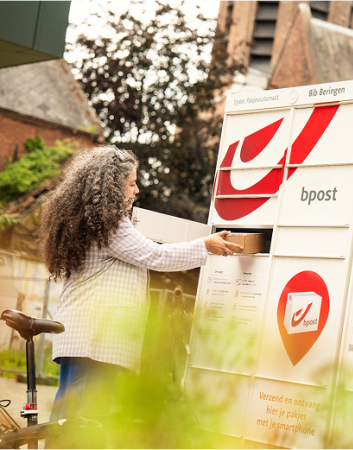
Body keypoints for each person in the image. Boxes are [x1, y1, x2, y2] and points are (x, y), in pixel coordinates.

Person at [39, 146, 241, 425]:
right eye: (131, 184)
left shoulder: (96, 224)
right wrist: (205, 246)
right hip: (93, 337)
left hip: (86, 335)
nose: (136, 191)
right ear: (112, 188)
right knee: (79, 423)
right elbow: (155, 255)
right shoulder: (110, 226)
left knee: (69, 420)